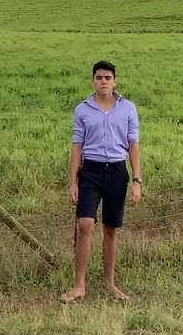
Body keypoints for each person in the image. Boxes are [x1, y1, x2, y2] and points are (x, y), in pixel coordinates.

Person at [60, 60, 142, 304]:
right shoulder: (82, 110)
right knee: (84, 224)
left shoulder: (127, 108)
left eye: (108, 78)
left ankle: (110, 283)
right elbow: (77, 146)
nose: (103, 82)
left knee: (110, 228)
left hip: (117, 171)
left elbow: (133, 144)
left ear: (114, 81)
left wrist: (137, 180)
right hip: (91, 171)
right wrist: (72, 181)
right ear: (92, 81)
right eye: (99, 78)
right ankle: (79, 286)